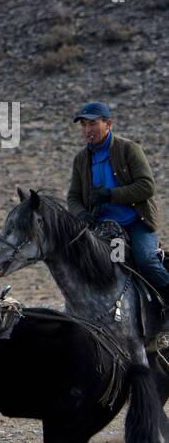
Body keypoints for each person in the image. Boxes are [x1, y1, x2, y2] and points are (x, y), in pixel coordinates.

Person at [66, 101, 169, 301]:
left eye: (93, 124)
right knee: (83, 265)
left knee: (145, 261)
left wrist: (111, 195)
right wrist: (81, 214)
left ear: (108, 123)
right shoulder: (81, 159)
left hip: (134, 224)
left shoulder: (129, 149)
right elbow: (73, 197)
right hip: (104, 229)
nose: (88, 130)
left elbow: (147, 186)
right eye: (84, 125)